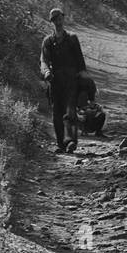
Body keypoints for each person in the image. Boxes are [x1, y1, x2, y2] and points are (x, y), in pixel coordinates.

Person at [39, 8, 87, 153]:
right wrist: (46, 71)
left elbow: (80, 61)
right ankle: (61, 144)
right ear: (52, 22)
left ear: (63, 19)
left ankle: (71, 141)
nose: (58, 22)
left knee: (70, 111)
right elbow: (43, 60)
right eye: (55, 20)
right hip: (55, 82)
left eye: (60, 18)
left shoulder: (72, 38)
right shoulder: (48, 41)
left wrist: (84, 82)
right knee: (56, 114)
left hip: (71, 81)